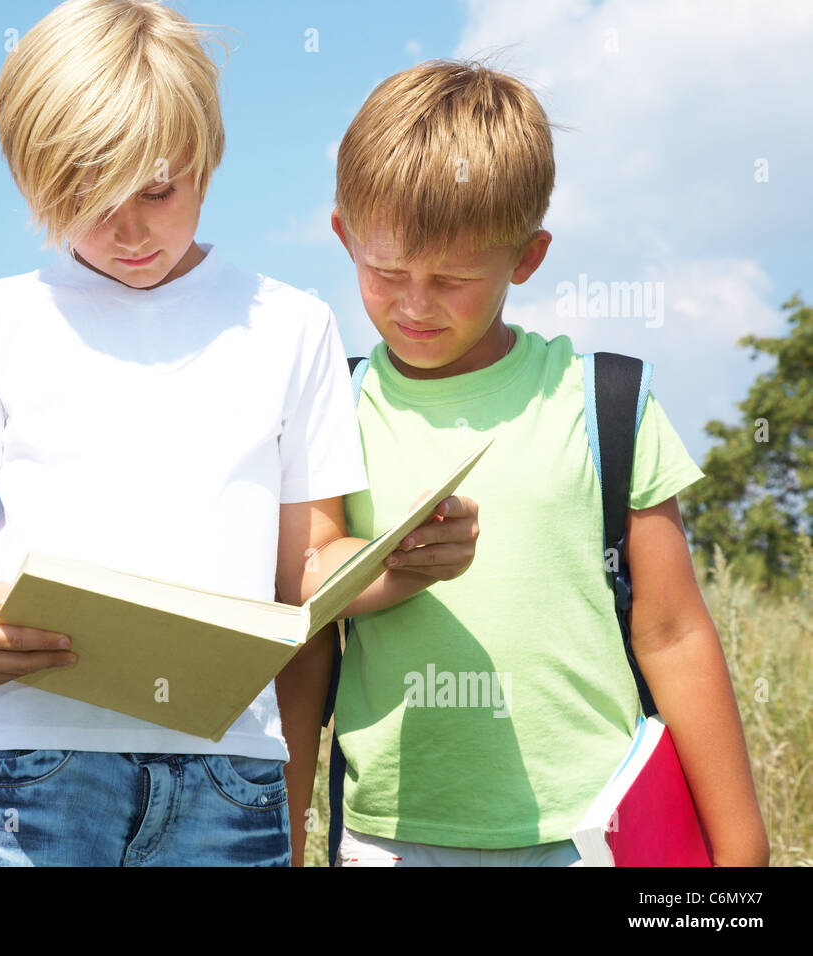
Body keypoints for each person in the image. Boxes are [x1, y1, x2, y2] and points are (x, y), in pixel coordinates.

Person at [0, 0, 478, 867]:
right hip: (25, 766)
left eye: (159, 190)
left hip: (228, 776)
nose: (129, 230)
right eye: (88, 197)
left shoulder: (291, 324)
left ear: (208, 156)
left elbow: (302, 574)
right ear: (31, 181)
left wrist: (405, 561)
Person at [326, 60, 769, 865]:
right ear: (343, 235)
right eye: (386, 271)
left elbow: (671, 632)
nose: (416, 303)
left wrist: (741, 856)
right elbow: (308, 629)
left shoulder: (606, 400)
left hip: (594, 833)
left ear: (527, 259)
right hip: (388, 840)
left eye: (453, 279)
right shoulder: (332, 407)